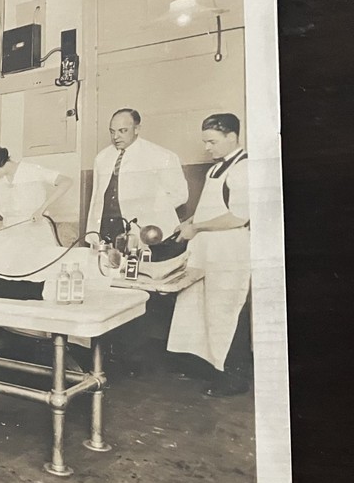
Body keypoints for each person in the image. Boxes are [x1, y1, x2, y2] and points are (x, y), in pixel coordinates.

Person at [167, 113, 251, 397]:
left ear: (232, 137)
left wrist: (198, 227)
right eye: (205, 141)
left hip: (230, 253)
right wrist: (189, 221)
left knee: (226, 311)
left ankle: (234, 379)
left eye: (212, 142)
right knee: (199, 308)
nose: (207, 147)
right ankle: (208, 367)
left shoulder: (243, 169)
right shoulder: (216, 169)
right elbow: (210, 208)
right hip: (207, 251)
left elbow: (239, 217)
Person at [86, 108, 189, 244]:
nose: (115, 137)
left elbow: (180, 194)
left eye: (122, 131)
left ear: (137, 129)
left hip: (147, 231)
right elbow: (96, 197)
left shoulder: (161, 156)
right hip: (108, 230)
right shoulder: (101, 158)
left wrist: (149, 209)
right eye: (112, 131)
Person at [0, 145, 73, 247]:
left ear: (1, 163)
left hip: (35, 233)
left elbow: (66, 181)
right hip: (10, 233)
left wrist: (41, 209)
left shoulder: (31, 170)